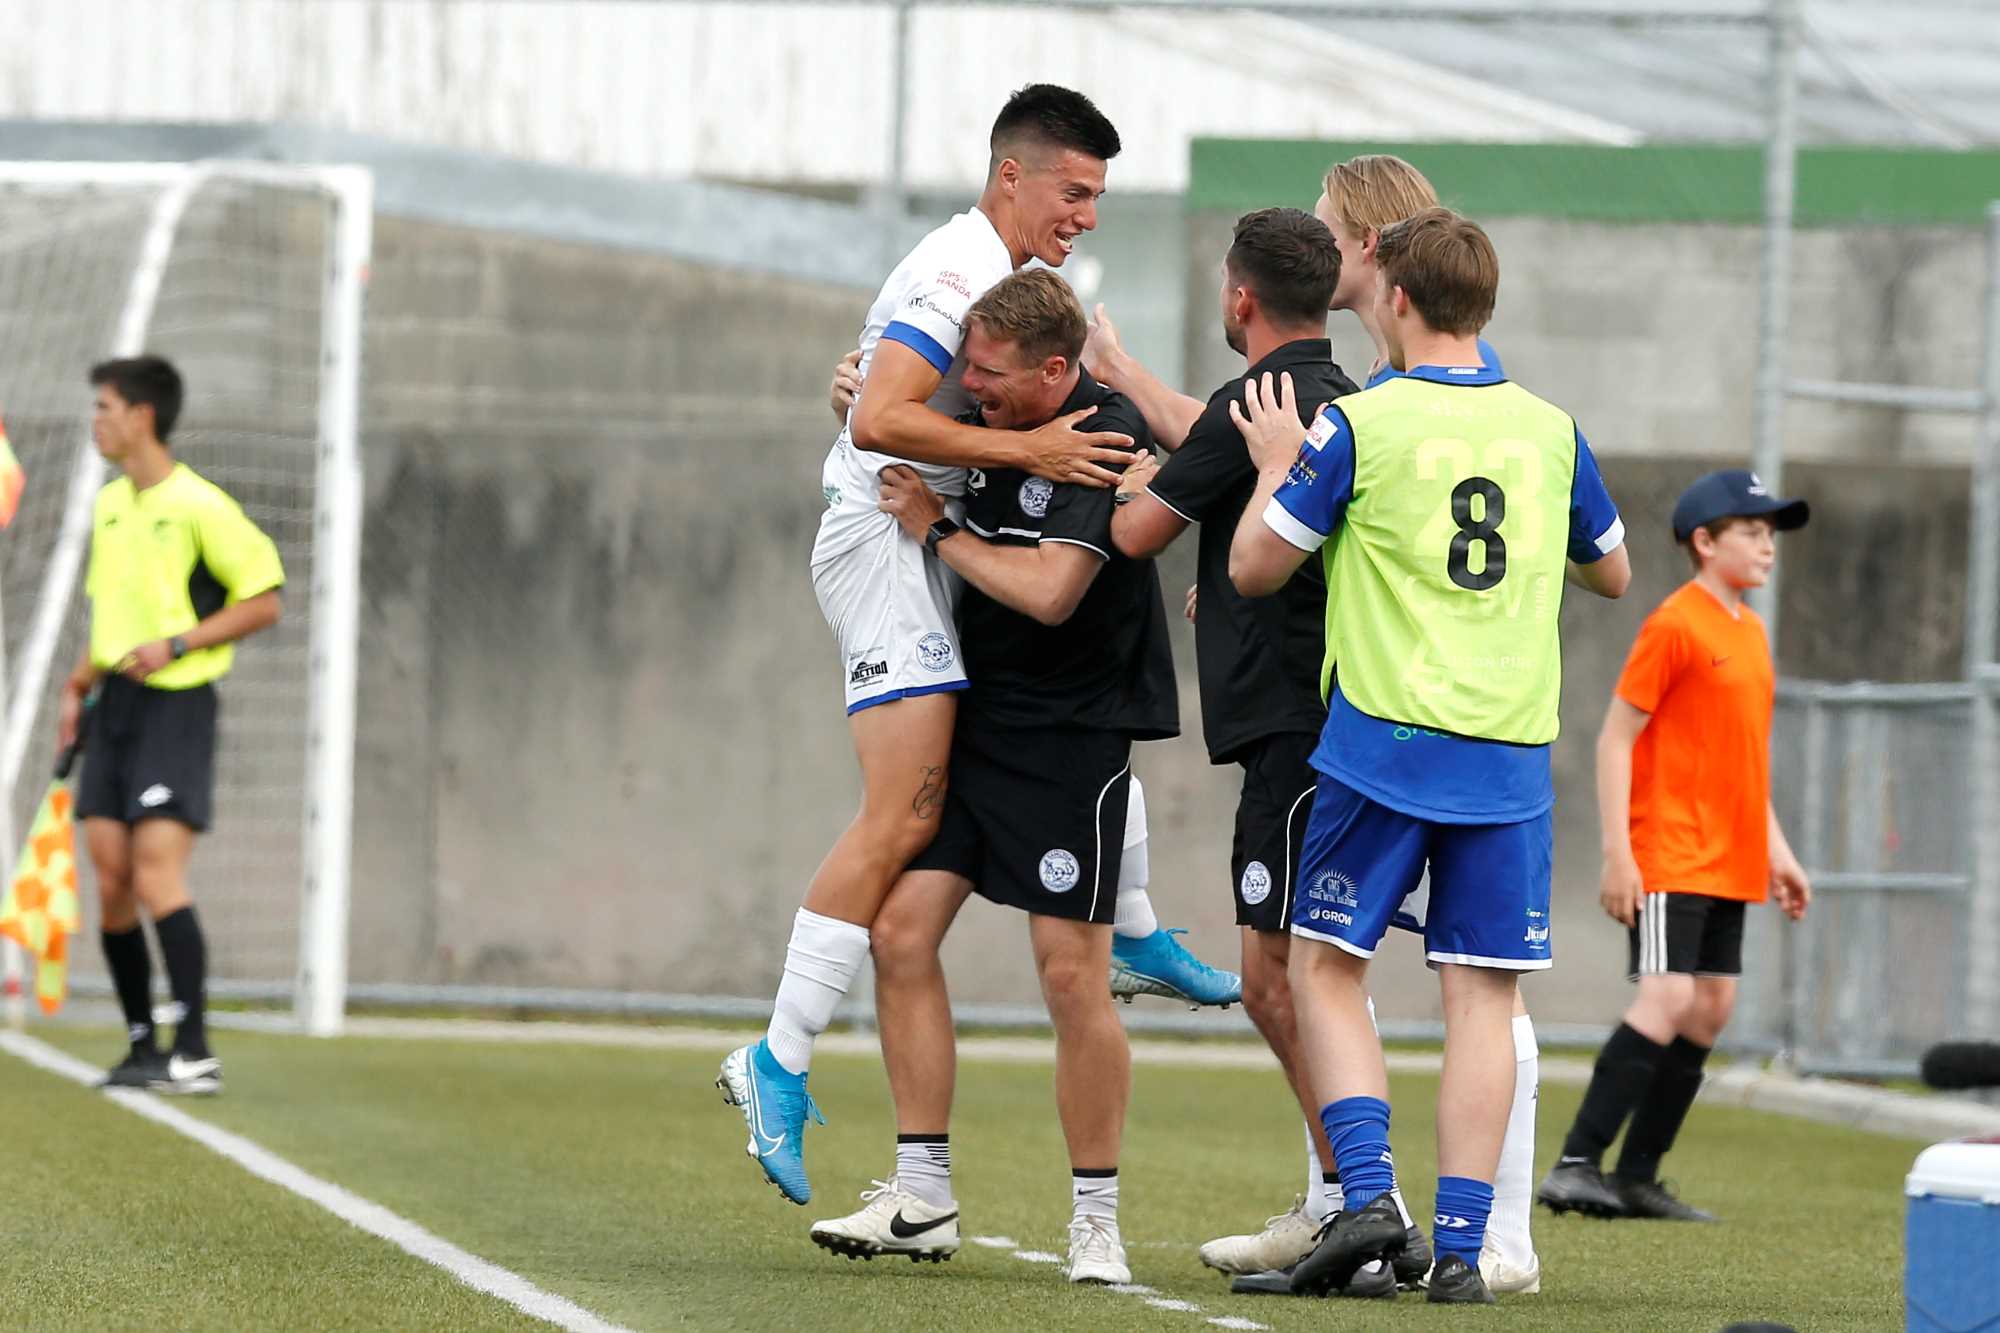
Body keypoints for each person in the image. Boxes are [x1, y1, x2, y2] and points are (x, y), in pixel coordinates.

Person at [720, 84, 1132, 1208]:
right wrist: (1034, 452)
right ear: (1013, 176)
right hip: (880, 547)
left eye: (1097, 195)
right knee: (901, 813)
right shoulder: (957, 273)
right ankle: (777, 1056)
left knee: (1051, 698)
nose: (1086, 214)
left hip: (904, 542)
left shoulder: (998, 281)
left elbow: (876, 396)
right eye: (1074, 191)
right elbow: (880, 419)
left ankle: (1132, 927)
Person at [1227, 208, 1630, 1305]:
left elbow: (1254, 568)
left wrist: (1273, 466)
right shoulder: (1550, 430)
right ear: (1484, 307)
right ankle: (1459, 1249)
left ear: (1393, 300)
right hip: (1505, 759)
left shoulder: (1361, 422)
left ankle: (1364, 1197)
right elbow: (1613, 572)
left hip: (1381, 750)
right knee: (1481, 1000)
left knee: (1323, 965)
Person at [807, 269, 1173, 1286]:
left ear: (1056, 372)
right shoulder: (987, 405)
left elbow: (1053, 593)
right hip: (974, 724)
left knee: (1067, 976)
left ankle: (1095, 1216)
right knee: (900, 932)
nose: (973, 388)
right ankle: (920, 1194)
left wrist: (936, 525)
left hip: (1070, 739)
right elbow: (887, 408)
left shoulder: (1103, 436)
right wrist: (853, 389)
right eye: (966, 368)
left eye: (992, 374)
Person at [1094, 206, 1427, 1293]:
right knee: (1302, 965)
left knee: (1277, 972)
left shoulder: (1256, 402)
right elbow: (1228, 449)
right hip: (1341, 718)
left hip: (1293, 725)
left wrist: (1071, 457)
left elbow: (1139, 528)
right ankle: (1349, 1197)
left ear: (1236, 298)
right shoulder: (1346, 400)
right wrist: (1139, 386)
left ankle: (1356, 1200)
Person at [1538, 470, 1812, 1223]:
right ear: (1704, 541)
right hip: (1669, 850)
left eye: (1770, 531)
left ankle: (1636, 1176)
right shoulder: (1676, 623)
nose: (1765, 543)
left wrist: (1777, 850)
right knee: (1668, 995)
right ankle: (1574, 1163)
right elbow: (1615, 739)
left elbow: (1742, 759)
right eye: (1750, 530)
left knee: (1710, 1008)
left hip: (1731, 855)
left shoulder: (1749, 631)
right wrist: (1618, 853)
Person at [57, 354, 285, 1096]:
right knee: (111, 874)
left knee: (158, 871)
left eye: (105, 407)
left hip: (177, 704)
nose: (96, 420)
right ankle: (141, 1045)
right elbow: (113, 616)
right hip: (113, 704)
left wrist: (180, 644)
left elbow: (263, 599)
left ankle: (195, 1047)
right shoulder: (110, 505)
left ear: (141, 416)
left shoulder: (200, 505)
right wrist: (78, 682)